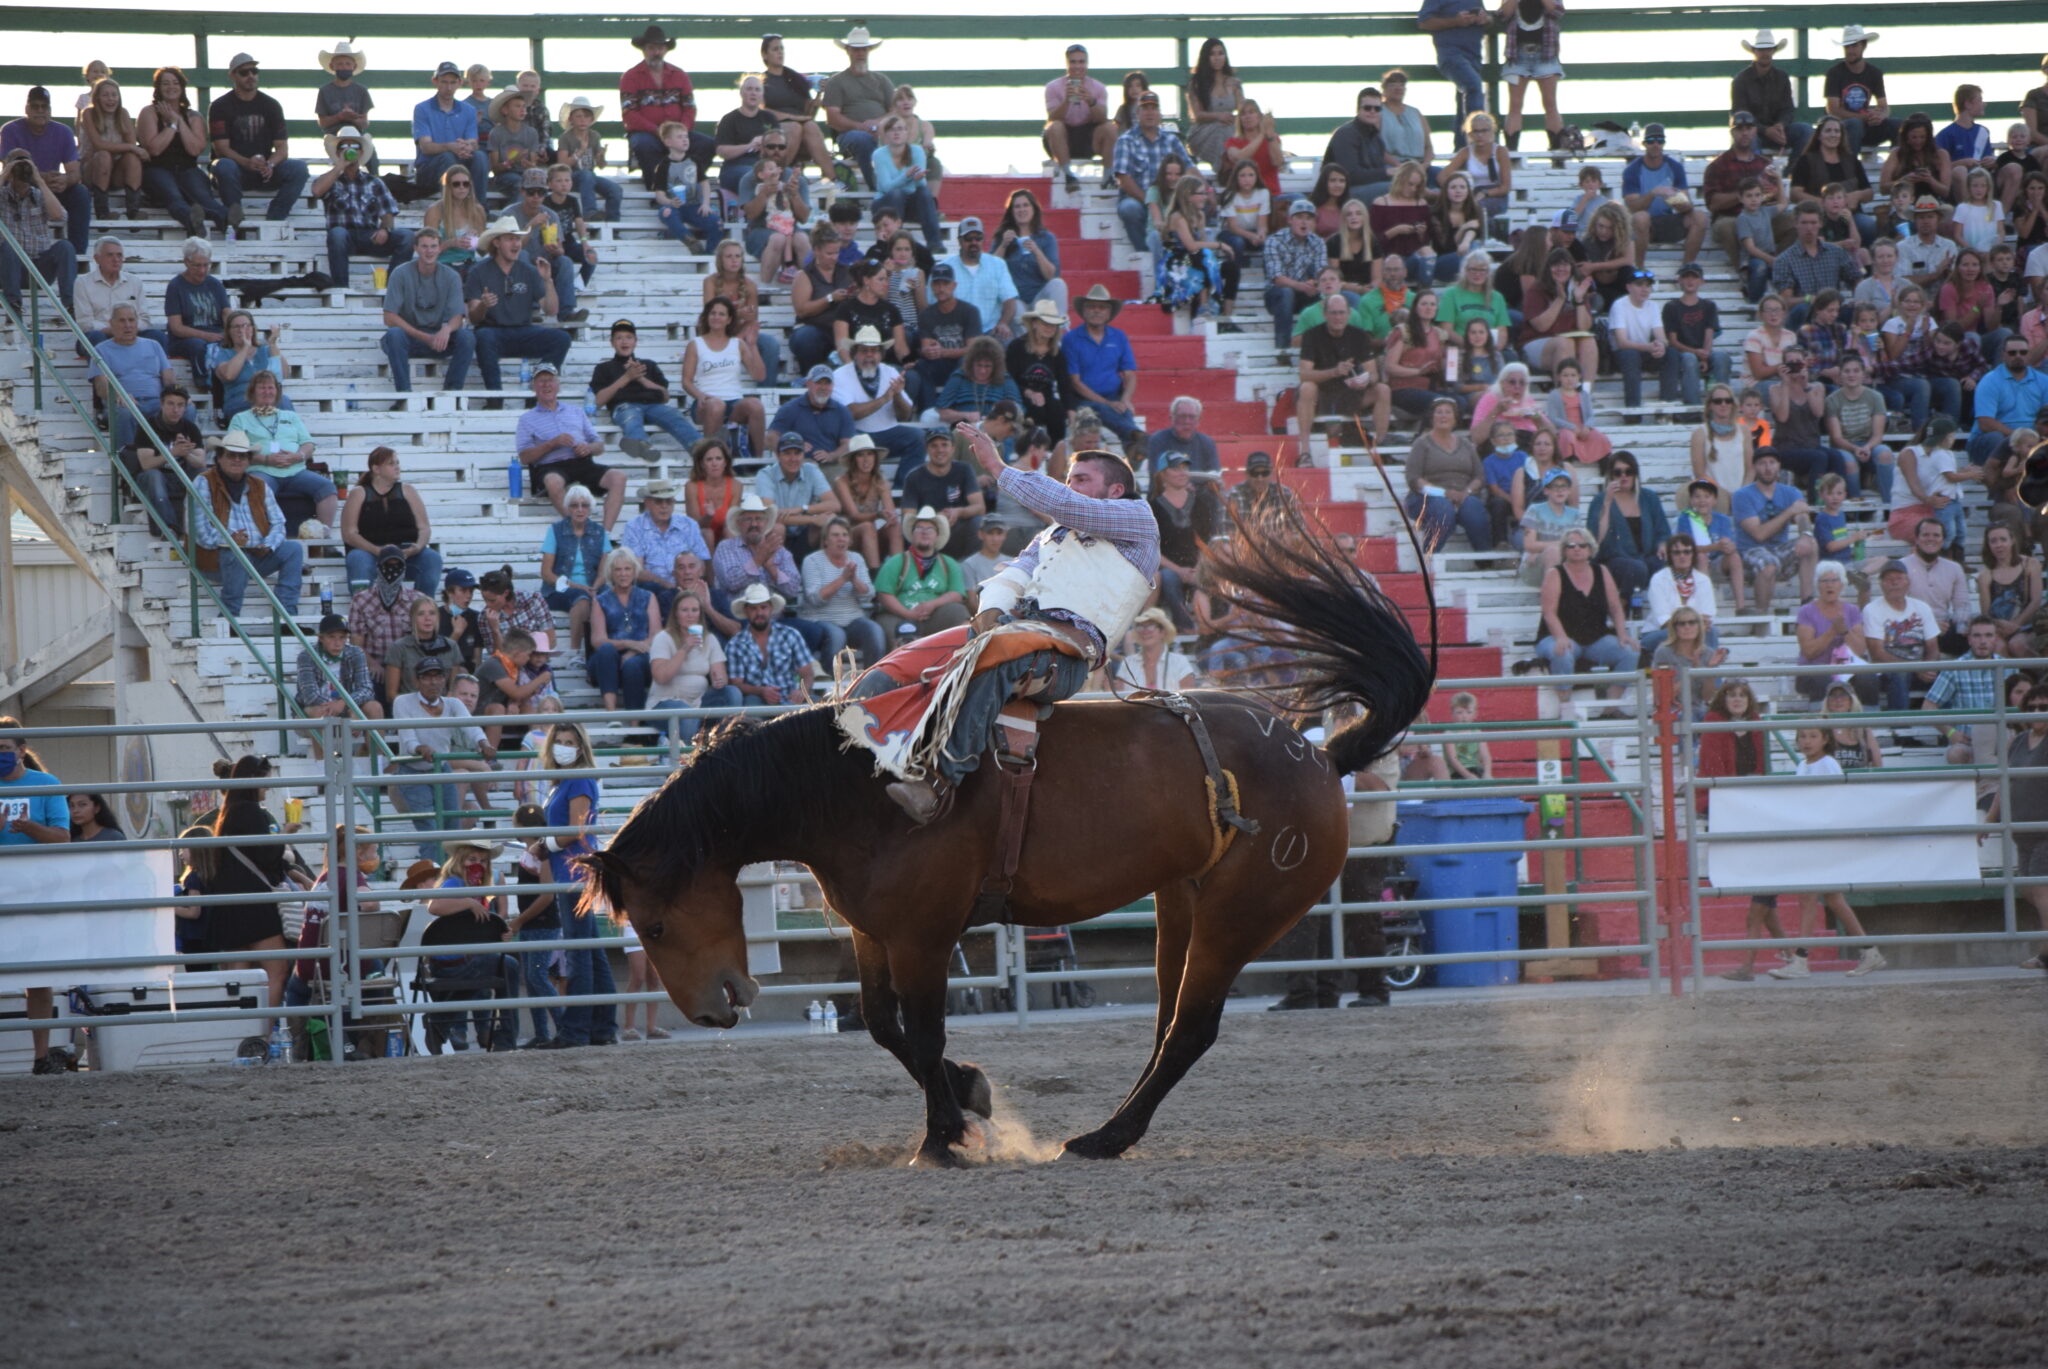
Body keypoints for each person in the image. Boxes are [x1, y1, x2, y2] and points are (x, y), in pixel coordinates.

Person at [876, 428, 1159, 822]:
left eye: (1081, 479)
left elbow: (1067, 505)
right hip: (1018, 630)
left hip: (1069, 649)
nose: (1071, 486)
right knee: (904, 660)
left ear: (1115, 490)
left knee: (1000, 655)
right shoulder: (1051, 535)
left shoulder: (1138, 517)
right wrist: (991, 612)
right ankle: (864, 740)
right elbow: (1013, 575)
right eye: (1069, 479)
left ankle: (937, 784)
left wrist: (997, 468)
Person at [526, 721, 614, 1048]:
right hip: (572, 871)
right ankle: (602, 1027)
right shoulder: (565, 781)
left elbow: (576, 829)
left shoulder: (577, 779)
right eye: (559, 741)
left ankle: (576, 1031)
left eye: (569, 742)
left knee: (580, 953)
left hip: (575, 872)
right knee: (591, 952)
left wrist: (544, 845)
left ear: (580, 748)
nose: (563, 747)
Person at [0, 723, 74, 1074]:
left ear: (21, 750)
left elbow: (62, 837)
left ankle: (41, 1057)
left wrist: (31, 829)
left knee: (38, 976)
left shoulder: (47, 784)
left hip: (36, 891)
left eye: (4, 748)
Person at [192, 434, 303, 617]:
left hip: (256, 556)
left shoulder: (260, 485)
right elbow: (200, 532)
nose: (237, 460)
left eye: (242, 456)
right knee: (235, 553)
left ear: (249, 460)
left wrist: (268, 545)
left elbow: (278, 523)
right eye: (231, 455)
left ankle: (287, 615)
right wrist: (230, 541)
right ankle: (230, 616)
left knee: (294, 549)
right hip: (216, 560)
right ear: (219, 458)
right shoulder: (203, 482)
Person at [466, 216, 569, 397]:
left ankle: (537, 388)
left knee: (562, 339)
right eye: (510, 239)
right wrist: (484, 305)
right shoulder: (478, 271)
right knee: (483, 337)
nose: (516, 244)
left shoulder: (529, 270)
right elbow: (474, 318)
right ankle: (495, 397)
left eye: (518, 239)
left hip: (523, 331)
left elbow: (551, 310)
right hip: (493, 332)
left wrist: (548, 280)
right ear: (496, 242)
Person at [1984, 683, 2048, 970]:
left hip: (2045, 828)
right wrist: (1990, 819)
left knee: (2040, 890)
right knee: (2029, 891)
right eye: (2032, 707)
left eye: (2043, 707)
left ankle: (2046, 953)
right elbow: (2004, 782)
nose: (2037, 712)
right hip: (2023, 829)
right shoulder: (2019, 741)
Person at [204, 53, 307, 229]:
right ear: (233, 76)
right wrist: (246, 162)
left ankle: (275, 220)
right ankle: (235, 220)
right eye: (244, 72)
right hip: (235, 170)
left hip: (264, 170)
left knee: (299, 168)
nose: (251, 76)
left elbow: (282, 148)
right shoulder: (220, 106)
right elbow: (221, 149)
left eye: (254, 71)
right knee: (223, 166)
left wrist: (270, 164)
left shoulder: (271, 105)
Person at [517, 362, 624, 529]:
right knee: (553, 481)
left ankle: (606, 533)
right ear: (534, 386)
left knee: (618, 477)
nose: (546, 385)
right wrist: (551, 443)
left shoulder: (576, 411)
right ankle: (579, 529)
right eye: (541, 381)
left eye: (550, 380)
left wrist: (588, 448)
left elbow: (599, 445)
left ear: (558, 385)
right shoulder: (526, 419)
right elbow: (524, 457)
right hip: (551, 466)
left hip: (583, 463)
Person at [1536, 527, 1635, 693]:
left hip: (1595, 638)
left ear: (1590, 549)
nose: (1577, 549)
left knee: (1630, 652)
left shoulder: (1602, 571)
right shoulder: (1555, 573)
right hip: (1556, 635)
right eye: (1571, 545)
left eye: (1582, 545)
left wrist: (1622, 635)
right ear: (1564, 550)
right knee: (1562, 652)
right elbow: (1549, 613)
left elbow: (1616, 608)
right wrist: (1561, 637)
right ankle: (1564, 702)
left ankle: (1612, 703)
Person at [2, 85, 90, 256]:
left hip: (50, 191)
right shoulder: (10, 130)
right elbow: (9, 170)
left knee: (80, 192)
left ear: (50, 110)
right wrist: (40, 178)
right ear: (27, 109)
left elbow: (75, 173)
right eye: (35, 106)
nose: (40, 111)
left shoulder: (63, 132)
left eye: (44, 106)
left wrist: (65, 180)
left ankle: (77, 253)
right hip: (21, 189)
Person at [135, 65, 223, 236]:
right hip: (157, 168)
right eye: (165, 83)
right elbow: (155, 149)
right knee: (174, 198)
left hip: (187, 168)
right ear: (158, 88)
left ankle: (230, 222)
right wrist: (172, 124)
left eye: (175, 83)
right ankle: (194, 225)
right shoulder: (148, 112)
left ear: (182, 87)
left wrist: (180, 120)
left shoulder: (194, 116)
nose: (171, 87)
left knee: (205, 200)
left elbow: (194, 149)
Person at [1296, 292, 1390, 450]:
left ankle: (1380, 444)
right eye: (1333, 313)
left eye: (1341, 313)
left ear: (1349, 314)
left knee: (1383, 389)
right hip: (1322, 393)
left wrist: (1365, 380)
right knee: (1307, 388)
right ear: (1325, 314)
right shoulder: (1312, 336)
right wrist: (1334, 372)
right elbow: (1304, 375)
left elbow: (1373, 374)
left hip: (1351, 393)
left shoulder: (1359, 336)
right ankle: (1304, 449)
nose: (1338, 317)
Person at [619, 25, 711, 185]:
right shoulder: (630, 76)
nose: (656, 52)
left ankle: (690, 183)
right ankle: (657, 186)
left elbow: (689, 107)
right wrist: (658, 131)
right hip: (647, 133)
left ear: (666, 50)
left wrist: (681, 131)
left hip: (678, 130)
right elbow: (630, 114)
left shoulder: (680, 75)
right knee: (643, 144)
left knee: (708, 144)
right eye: (651, 48)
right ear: (643, 50)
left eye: (660, 48)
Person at [340, 448, 439, 596]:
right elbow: (349, 534)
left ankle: (422, 605)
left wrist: (417, 548)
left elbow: (424, 528)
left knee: (432, 558)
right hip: (369, 552)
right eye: (391, 464)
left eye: (397, 463)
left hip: (405, 552)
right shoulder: (359, 493)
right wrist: (377, 550)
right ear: (376, 469)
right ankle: (362, 607)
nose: (397, 467)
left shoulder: (408, 490)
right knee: (358, 559)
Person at [872, 506, 971, 644]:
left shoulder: (949, 564)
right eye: (919, 528)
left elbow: (957, 594)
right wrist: (908, 614)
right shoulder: (896, 561)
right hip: (899, 615)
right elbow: (884, 594)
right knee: (890, 628)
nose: (924, 532)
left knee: (959, 611)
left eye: (930, 529)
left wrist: (932, 604)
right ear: (912, 535)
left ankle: (965, 655)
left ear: (937, 536)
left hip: (934, 616)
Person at [117, 380, 206, 534]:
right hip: (152, 479)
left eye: (180, 405)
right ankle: (169, 527)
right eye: (171, 404)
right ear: (161, 404)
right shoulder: (148, 426)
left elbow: (200, 463)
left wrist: (186, 453)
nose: (175, 410)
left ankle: (203, 526)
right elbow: (146, 465)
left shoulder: (190, 428)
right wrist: (173, 453)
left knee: (203, 475)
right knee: (154, 476)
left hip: (179, 476)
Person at [1402, 396, 1488, 552]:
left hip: (1462, 496)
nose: (1443, 416)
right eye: (1439, 412)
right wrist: (1444, 493)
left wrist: (1466, 492)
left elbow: (1479, 476)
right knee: (1443, 509)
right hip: (1427, 498)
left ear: (1455, 418)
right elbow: (1414, 478)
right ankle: (1429, 557)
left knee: (1474, 508)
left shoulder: (1466, 444)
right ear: (1432, 417)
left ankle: (1484, 559)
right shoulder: (1422, 443)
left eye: (1448, 412)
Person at [1110, 91, 1192, 252]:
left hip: (1170, 199)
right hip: (1138, 199)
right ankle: (1144, 252)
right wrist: (1151, 202)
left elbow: (1189, 168)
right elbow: (1124, 179)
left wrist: (1206, 190)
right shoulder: (1126, 140)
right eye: (1145, 108)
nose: (1150, 112)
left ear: (1160, 114)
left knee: (1197, 201)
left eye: (1154, 108)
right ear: (1137, 113)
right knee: (1129, 209)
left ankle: (1183, 251)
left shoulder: (1172, 140)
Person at [538, 483, 613, 660]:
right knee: (582, 599)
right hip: (560, 589)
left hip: (594, 587)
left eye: (584, 505)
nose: (580, 509)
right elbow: (546, 573)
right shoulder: (555, 531)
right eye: (574, 505)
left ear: (590, 508)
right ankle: (575, 652)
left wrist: (594, 588)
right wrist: (578, 587)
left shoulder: (600, 532)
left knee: (611, 599)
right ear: (568, 508)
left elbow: (604, 571)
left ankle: (608, 651)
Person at [801, 516, 887, 669]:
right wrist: (842, 579)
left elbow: (868, 594)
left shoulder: (856, 558)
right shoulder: (812, 561)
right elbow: (815, 598)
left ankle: (873, 679)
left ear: (850, 540)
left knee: (875, 631)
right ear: (826, 540)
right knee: (837, 636)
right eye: (835, 535)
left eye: (845, 535)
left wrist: (854, 579)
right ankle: (830, 680)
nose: (841, 539)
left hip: (853, 619)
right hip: (821, 619)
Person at [1062, 284, 1142, 445]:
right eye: (1091, 307)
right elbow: (1075, 382)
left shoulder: (1119, 337)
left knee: (1123, 410)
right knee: (1105, 409)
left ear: (1109, 313)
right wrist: (1107, 403)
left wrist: (1125, 400)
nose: (1096, 311)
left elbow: (1130, 375)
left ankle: (1135, 445)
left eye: (1101, 307)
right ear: (1084, 311)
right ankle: (1136, 436)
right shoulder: (1071, 339)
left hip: (1115, 396)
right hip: (1083, 399)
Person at [87, 303, 172, 451]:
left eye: (131, 320)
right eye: (122, 320)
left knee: (186, 409)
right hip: (122, 403)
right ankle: (127, 458)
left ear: (137, 322)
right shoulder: (101, 350)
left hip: (155, 402)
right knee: (125, 412)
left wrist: (178, 395)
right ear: (111, 323)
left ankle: (177, 457)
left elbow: (169, 379)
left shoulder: (154, 345)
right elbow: (101, 388)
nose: (127, 325)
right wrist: (120, 396)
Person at [1864, 556, 1943, 715]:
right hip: (1887, 672)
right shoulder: (1872, 609)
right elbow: (1877, 653)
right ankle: (1901, 727)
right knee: (1899, 673)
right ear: (1881, 584)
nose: (1894, 583)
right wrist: (1914, 668)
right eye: (1889, 579)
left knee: (1950, 673)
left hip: (1920, 669)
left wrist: (1927, 667)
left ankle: (1950, 727)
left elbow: (1933, 647)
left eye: (1899, 578)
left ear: (1908, 582)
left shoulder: (1922, 607)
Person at [0, 149, 76, 316]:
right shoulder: (2, 195)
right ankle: (13, 305)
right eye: (18, 165)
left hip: (39, 268)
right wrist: (4, 175)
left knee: (65, 247)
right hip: (8, 267)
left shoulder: (41, 196)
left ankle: (70, 305)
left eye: (26, 165)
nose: (22, 170)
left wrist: (39, 180)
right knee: (8, 247)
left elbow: (60, 217)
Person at [586, 548, 662, 714]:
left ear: (634, 571)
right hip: (608, 659)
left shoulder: (648, 597)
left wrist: (633, 652)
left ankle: (634, 723)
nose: (623, 574)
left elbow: (656, 635)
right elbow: (598, 641)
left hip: (642, 654)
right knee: (605, 650)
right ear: (611, 573)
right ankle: (611, 713)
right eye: (618, 569)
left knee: (632, 665)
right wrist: (628, 644)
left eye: (627, 569)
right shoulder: (600, 600)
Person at [1584, 452, 1669, 600]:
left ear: (1635, 474)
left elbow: (1663, 530)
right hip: (1614, 560)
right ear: (1611, 476)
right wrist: (1607, 502)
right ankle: (1623, 603)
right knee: (1636, 569)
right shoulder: (1600, 500)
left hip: (1645, 557)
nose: (1624, 476)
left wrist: (1662, 544)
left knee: (1664, 565)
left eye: (1629, 472)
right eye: (1618, 472)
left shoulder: (1649, 498)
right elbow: (1595, 539)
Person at [1623, 124, 1707, 267]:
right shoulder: (1633, 170)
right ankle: (1639, 268)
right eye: (1651, 141)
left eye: (1660, 141)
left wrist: (1673, 198)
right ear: (1644, 144)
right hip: (1645, 226)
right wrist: (1653, 193)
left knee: (1700, 217)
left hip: (1669, 220)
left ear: (1663, 143)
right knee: (1641, 217)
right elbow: (1632, 207)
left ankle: (1687, 268)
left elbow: (1688, 206)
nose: (1656, 145)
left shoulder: (1675, 167)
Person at [1793, 561, 1875, 704]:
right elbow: (1809, 652)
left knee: (1868, 678)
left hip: (1846, 669)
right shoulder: (1806, 611)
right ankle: (1821, 717)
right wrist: (1832, 631)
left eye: (1834, 580)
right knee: (1821, 677)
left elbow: (1860, 650)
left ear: (1842, 585)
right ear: (1818, 585)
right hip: (1813, 671)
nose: (1829, 585)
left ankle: (1867, 717)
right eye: (1824, 581)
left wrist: (1845, 631)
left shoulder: (1852, 611)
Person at [726, 581, 818, 705]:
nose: (759, 613)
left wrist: (802, 692)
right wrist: (761, 691)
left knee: (819, 705)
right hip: (757, 700)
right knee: (751, 703)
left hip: (790, 699)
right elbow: (736, 684)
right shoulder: (735, 644)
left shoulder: (790, 635)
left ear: (771, 609)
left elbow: (807, 674)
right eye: (753, 608)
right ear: (746, 611)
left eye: (763, 607)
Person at [1044, 45, 1115, 192]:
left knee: (1111, 128)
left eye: (1081, 62)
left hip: (1088, 135)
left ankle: (1108, 176)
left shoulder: (1098, 88)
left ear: (1087, 64)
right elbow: (1052, 117)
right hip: (1062, 137)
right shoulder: (1053, 87)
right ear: (1067, 64)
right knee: (1055, 126)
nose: (1077, 66)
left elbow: (1103, 118)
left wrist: (1091, 101)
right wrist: (1066, 101)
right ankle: (1068, 176)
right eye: (1073, 62)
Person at [1969, 335, 2048, 466]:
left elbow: (2046, 417)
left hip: (2032, 438)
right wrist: (2019, 438)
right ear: (2003, 355)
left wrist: (2034, 438)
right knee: (1995, 437)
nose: (2018, 356)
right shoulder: (1989, 381)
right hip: (1995, 438)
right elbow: (1985, 423)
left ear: (2029, 354)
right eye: (2012, 353)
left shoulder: (2044, 381)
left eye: (2023, 352)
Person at [1732, 28, 1810, 155]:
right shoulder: (1741, 80)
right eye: (1761, 50)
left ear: (1773, 51)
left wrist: (1780, 125)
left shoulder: (1782, 77)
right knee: (1750, 138)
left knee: (1806, 130)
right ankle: (1756, 168)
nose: (1765, 53)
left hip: (1778, 131)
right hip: (1753, 133)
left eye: (1768, 49)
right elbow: (1740, 114)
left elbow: (1788, 109)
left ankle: (1795, 167)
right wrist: (1765, 130)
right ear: (1754, 51)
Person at [296, 612, 381, 727]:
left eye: (342, 637)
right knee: (320, 712)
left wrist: (344, 703)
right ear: (321, 638)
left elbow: (366, 689)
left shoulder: (356, 653)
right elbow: (310, 696)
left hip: (347, 705)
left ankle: (372, 740)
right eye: (331, 637)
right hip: (317, 707)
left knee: (374, 707)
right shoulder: (307, 655)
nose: (337, 643)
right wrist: (338, 706)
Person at [1979, 523, 2042, 657]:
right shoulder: (1985, 575)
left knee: (2017, 644)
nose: (1999, 545)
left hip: (2028, 624)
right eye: (1993, 541)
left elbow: (2036, 601)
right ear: (1988, 545)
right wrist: (2000, 625)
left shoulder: (2030, 564)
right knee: (1997, 646)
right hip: (2000, 627)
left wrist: (2016, 624)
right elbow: (1986, 613)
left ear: (2012, 540)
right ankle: (2009, 672)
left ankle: (2039, 670)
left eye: (2003, 539)